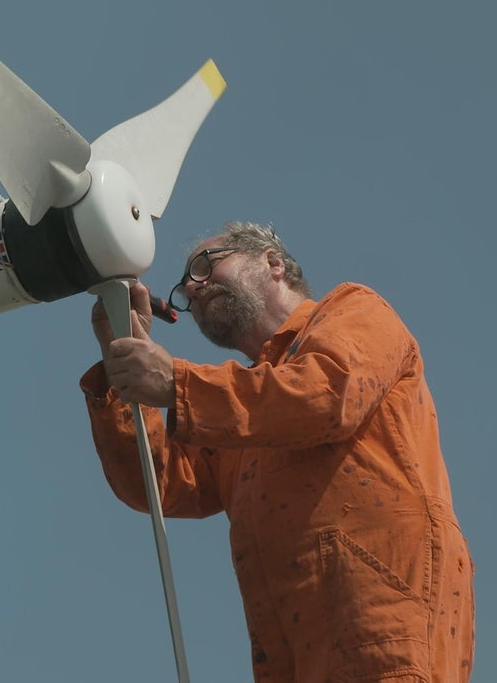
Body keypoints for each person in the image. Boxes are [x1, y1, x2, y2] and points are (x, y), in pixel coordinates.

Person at [81, 222, 474, 682]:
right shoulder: (241, 407)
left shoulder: (354, 310)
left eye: (206, 265)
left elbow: (329, 394)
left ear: (272, 262)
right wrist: (119, 352)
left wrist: (179, 383)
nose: (191, 286)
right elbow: (161, 483)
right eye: (186, 286)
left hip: (382, 633)